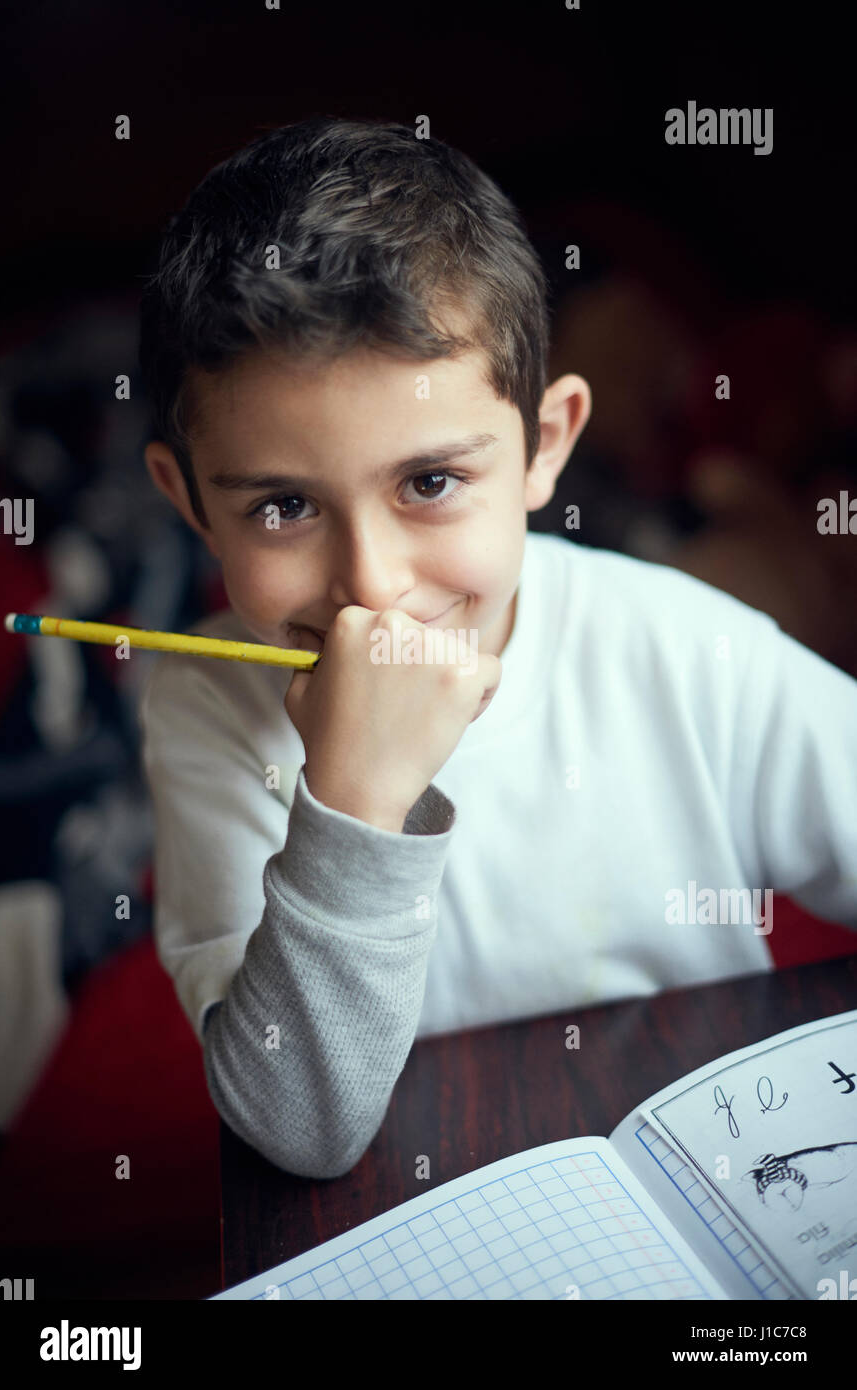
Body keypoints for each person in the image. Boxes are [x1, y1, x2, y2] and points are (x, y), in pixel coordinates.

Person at [137, 116, 857, 1180]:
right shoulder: (205, 705)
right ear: (190, 502)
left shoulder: (686, 651)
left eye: (429, 483)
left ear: (544, 448)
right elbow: (298, 1126)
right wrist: (354, 802)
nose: (373, 585)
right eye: (285, 506)